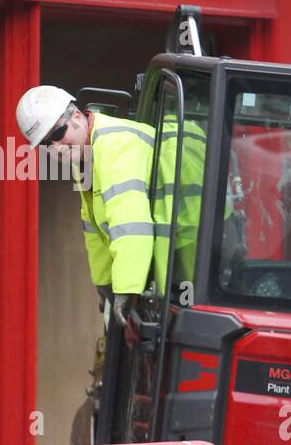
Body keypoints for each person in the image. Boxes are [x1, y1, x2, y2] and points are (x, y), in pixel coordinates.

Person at [14, 85, 205, 326]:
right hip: (176, 246)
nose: (56, 147)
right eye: (45, 143)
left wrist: (125, 288)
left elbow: (131, 224)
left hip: (193, 243)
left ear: (76, 117)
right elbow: (94, 227)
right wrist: (105, 283)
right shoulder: (85, 156)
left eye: (58, 133)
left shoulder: (114, 147)